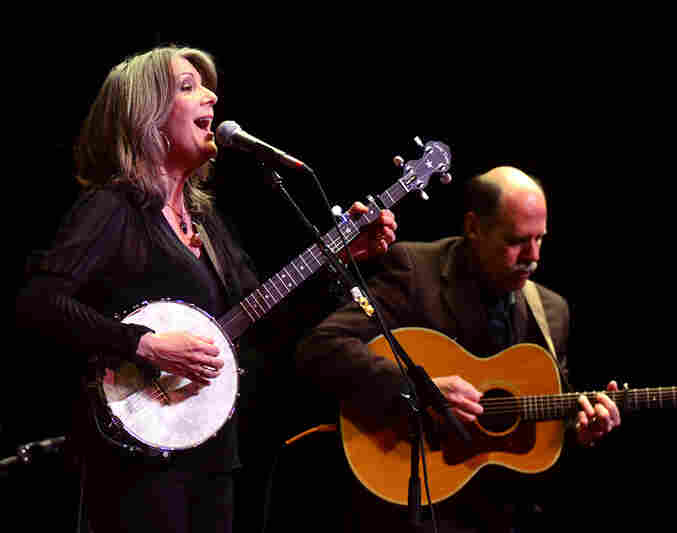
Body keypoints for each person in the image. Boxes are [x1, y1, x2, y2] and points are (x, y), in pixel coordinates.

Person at [14, 45, 397, 533]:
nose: (212, 97)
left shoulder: (207, 225)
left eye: (207, 87)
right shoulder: (114, 208)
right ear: (146, 114)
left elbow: (270, 323)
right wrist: (143, 345)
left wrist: (340, 258)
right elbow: (39, 304)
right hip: (135, 465)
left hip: (211, 457)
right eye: (188, 87)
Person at [295, 166, 621, 532]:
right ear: (473, 227)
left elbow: (546, 420)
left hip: (503, 512)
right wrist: (422, 389)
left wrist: (581, 430)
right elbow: (321, 347)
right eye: (516, 241)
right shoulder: (416, 272)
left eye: (539, 239)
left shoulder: (551, 311)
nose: (533, 256)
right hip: (412, 507)